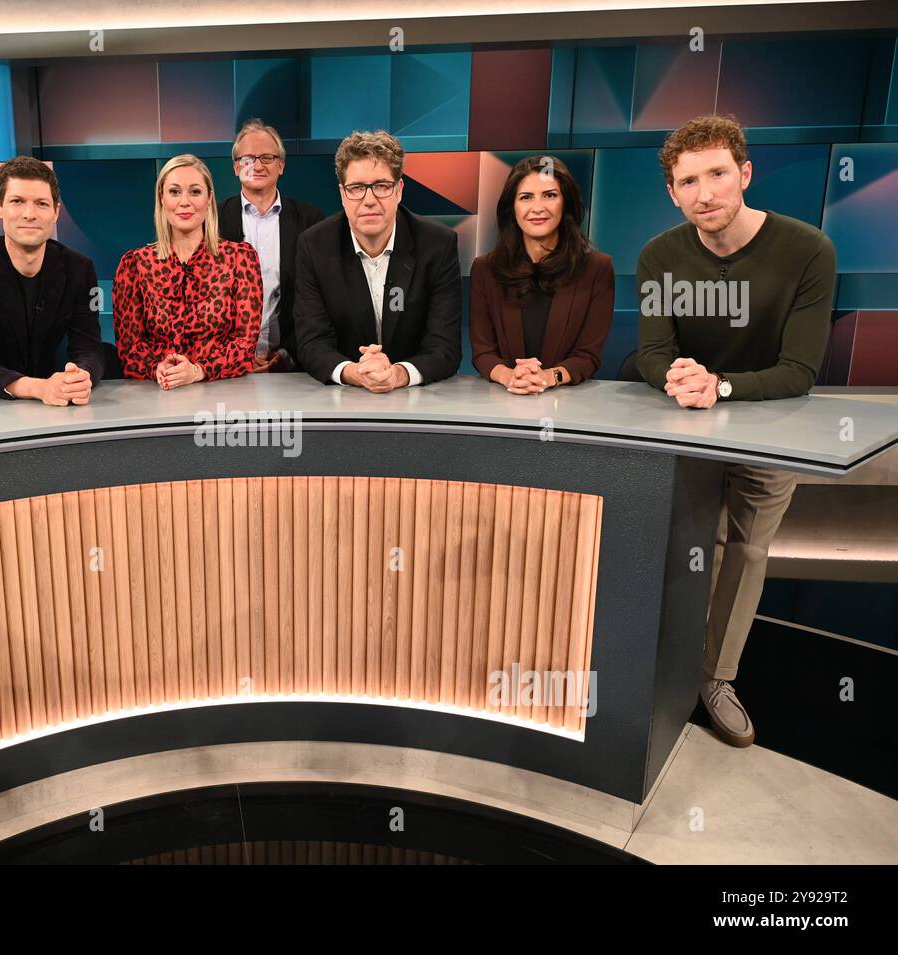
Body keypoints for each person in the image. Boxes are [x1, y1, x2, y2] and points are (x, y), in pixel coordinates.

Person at [636, 114, 836, 748]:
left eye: (718, 174)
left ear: (745, 173)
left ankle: (716, 679)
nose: (705, 193)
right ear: (672, 191)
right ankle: (664, 675)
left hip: (769, 430)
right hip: (687, 428)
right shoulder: (659, 256)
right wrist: (678, 378)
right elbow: (649, 353)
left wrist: (719, 385)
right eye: (688, 181)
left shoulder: (807, 250)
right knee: (691, 546)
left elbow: (799, 371)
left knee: (746, 552)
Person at [293, 130, 462, 390]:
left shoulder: (437, 245)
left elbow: (445, 346)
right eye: (357, 188)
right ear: (342, 193)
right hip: (342, 400)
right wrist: (354, 372)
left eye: (381, 186)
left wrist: (398, 374)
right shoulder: (314, 246)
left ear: (399, 190)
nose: (369, 200)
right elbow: (312, 342)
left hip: (417, 400)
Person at [0, 156, 105, 406]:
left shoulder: (79, 268)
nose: (29, 214)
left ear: (56, 211)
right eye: (17, 202)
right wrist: (39, 388)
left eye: (41, 203)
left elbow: (89, 348)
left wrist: (81, 376)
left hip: (49, 400)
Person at [112, 154, 263, 389]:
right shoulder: (135, 265)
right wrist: (156, 368)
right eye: (174, 192)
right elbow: (129, 348)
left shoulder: (240, 260)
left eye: (195, 192)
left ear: (209, 198)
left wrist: (197, 371)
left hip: (223, 396)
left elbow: (245, 344)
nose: (184, 202)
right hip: (158, 395)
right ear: (161, 198)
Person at [470, 155, 614, 393]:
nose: (538, 208)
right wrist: (510, 377)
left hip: (568, 404)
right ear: (512, 207)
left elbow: (587, 355)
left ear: (565, 202)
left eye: (550, 195)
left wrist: (548, 377)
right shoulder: (486, 269)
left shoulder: (596, 268)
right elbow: (483, 352)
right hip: (503, 401)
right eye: (526, 197)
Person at [217, 119, 324, 373]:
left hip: (292, 366)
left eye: (267, 157)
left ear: (281, 165)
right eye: (247, 158)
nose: (257, 165)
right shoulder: (211, 220)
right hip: (223, 368)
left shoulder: (311, 221)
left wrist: (288, 354)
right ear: (235, 167)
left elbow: (319, 303)